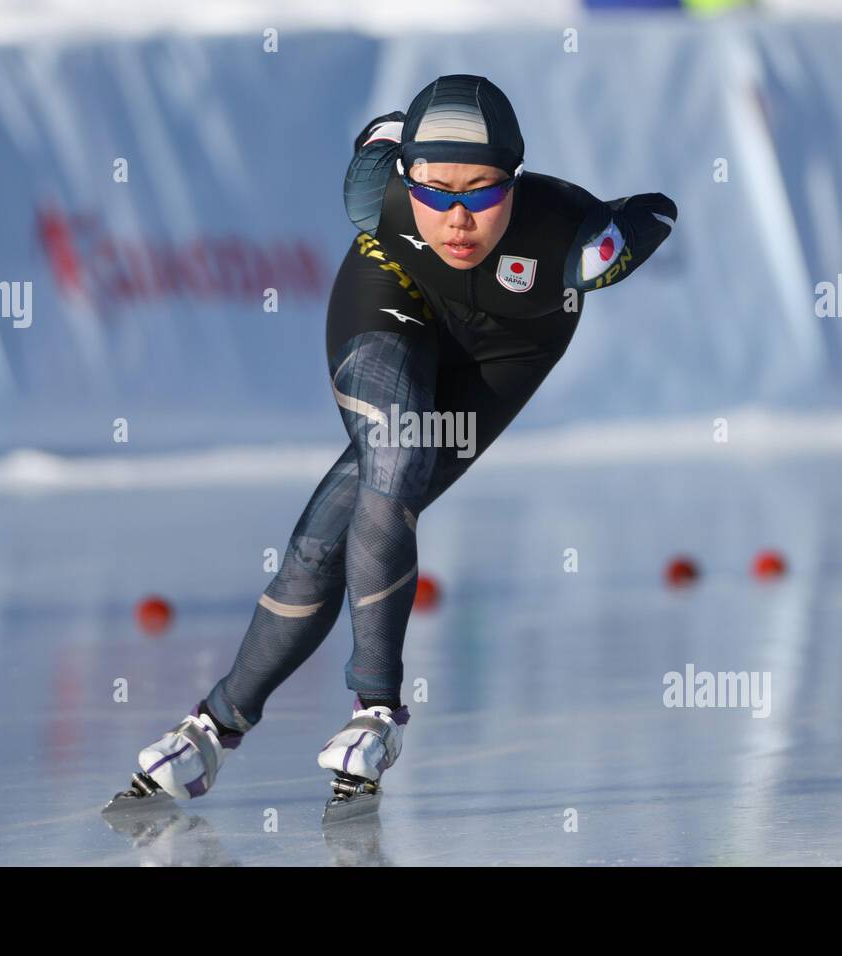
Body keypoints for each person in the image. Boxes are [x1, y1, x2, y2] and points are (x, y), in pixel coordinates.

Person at [135, 74, 677, 801]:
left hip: (502, 359)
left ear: (515, 181)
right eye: (435, 191)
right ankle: (376, 710)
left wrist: (618, 241)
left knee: (334, 537)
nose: (457, 218)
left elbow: (655, 209)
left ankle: (213, 727)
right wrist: (387, 136)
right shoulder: (376, 200)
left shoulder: (564, 232)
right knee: (396, 449)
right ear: (406, 180)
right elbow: (379, 140)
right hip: (392, 305)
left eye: (482, 192)